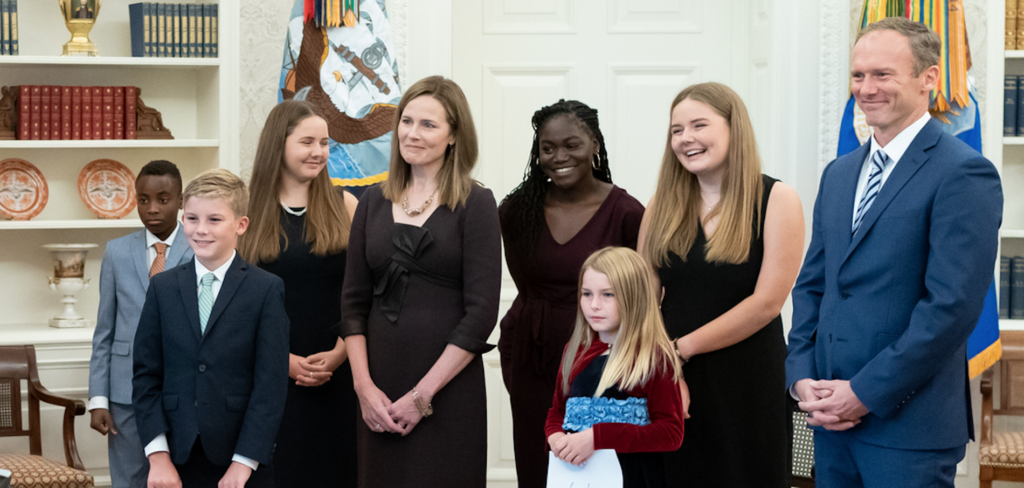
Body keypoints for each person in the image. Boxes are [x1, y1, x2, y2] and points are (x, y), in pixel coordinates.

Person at [785, 17, 1003, 487]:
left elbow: (951, 308)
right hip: (829, 422)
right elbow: (814, 286)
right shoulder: (838, 174)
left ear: (929, 78)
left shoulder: (964, 173)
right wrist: (801, 377)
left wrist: (863, 393)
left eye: (883, 74)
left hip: (908, 430)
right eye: (858, 75)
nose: (866, 89)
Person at [637, 81, 805, 487]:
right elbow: (642, 296)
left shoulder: (777, 199)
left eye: (699, 125)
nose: (685, 138)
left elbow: (767, 303)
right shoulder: (660, 204)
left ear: (734, 128)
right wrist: (665, 368)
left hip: (747, 381)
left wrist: (681, 350)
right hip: (671, 378)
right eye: (676, 130)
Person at [340, 75, 501, 487]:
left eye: (428, 124)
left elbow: (481, 314)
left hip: (447, 389)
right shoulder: (371, 202)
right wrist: (363, 387)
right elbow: (353, 304)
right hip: (378, 386)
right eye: (406, 121)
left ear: (453, 136)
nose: (412, 133)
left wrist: (422, 396)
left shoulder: (477, 203)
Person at [498, 99, 644, 488]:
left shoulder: (627, 213)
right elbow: (525, 286)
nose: (559, 157)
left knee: (598, 471)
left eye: (572, 145)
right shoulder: (516, 210)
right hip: (532, 357)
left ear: (594, 144)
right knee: (537, 465)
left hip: (602, 362)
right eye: (548, 148)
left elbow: (641, 300)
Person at [133, 169, 290, 488]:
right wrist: (158, 456)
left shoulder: (265, 289)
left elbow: (270, 386)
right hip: (175, 458)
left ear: (241, 225)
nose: (201, 230)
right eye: (192, 219)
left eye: (214, 220)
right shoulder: (162, 287)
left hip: (240, 458)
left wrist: (243, 463)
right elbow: (146, 376)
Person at [239, 100, 360, 487]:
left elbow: (364, 291)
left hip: (340, 374)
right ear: (278, 144)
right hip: (268, 376)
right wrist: (282, 361)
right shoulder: (244, 212)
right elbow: (235, 304)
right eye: (307, 142)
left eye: (324, 143)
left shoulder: (346, 205)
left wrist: (341, 352)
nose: (318, 152)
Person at [88, 160, 194, 488]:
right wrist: (99, 399)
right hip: (125, 392)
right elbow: (104, 331)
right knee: (129, 478)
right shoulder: (117, 252)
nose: (152, 209)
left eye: (163, 199)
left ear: (181, 201)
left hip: (182, 387)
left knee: (180, 475)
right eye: (143, 200)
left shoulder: (199, 248)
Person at [545, 246, 683, 488]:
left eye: (608, 295)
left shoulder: (654, 357)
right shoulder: (575, 350)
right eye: (587, 294)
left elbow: (670, 433)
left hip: (633, 477)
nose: (594, 305)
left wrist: (597, 438)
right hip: (578, 477)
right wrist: (555, 437)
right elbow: (558, 411)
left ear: (633, 297)